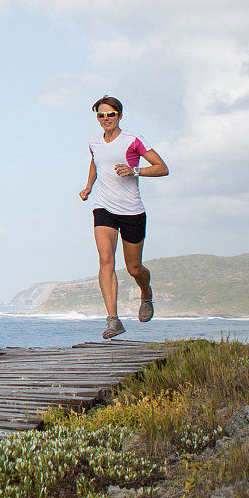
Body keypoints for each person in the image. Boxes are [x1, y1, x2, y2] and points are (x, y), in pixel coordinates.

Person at [78, 95, 167, 340]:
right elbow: (96, 163)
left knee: (134, 268)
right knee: (106, 259)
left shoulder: (133, 140)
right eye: (101, 115)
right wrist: (88, 187)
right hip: (104, 208)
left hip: (132, 211)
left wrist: (134, 170)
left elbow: (162, 168)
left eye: (111, 114)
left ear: (119, 116)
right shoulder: (94, 142)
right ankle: (113, 320)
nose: (106, 118)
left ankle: (146, 293)